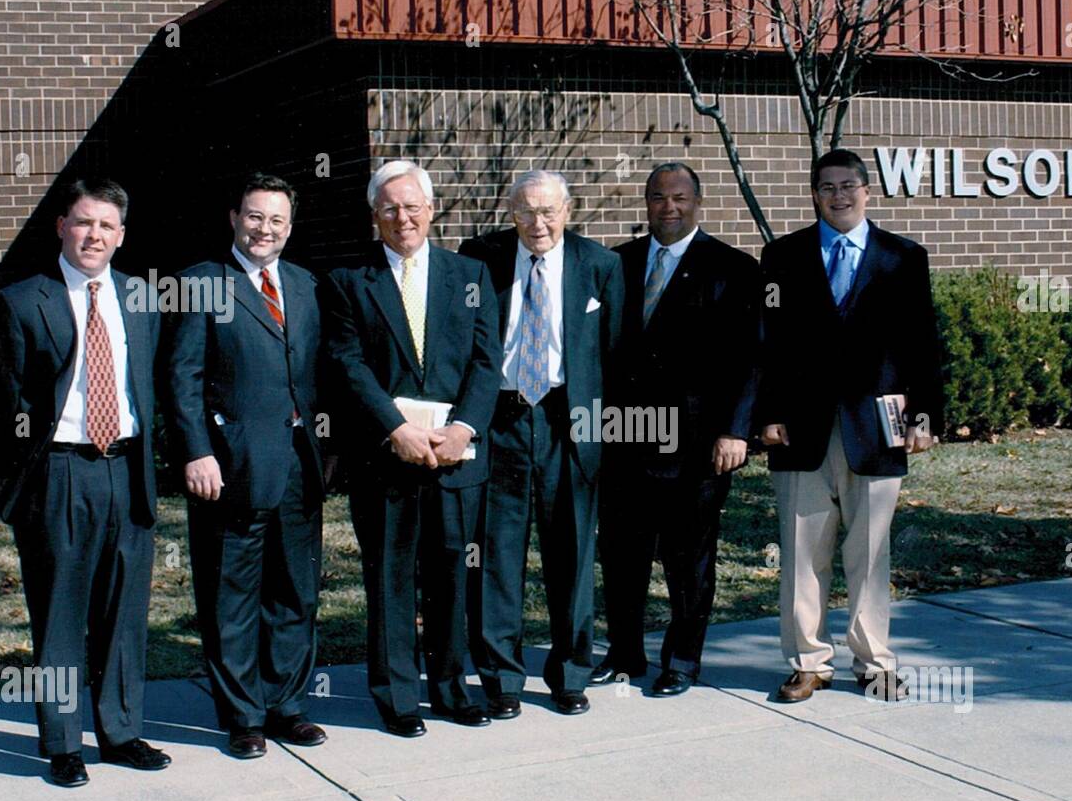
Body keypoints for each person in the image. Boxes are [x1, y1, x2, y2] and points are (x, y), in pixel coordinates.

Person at [0, 178, 170, 786]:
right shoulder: (22, 299)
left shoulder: (140, 297)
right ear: (61, 226)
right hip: (58, 471)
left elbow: (148, 383)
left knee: (124, 609)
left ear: (121, 236)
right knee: (60, 611)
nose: (94, 235)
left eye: (107, 226)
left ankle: (121, 732)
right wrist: (28, 474)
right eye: (84, 223)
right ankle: (62, 742)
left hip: (127, 469)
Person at [758, 149, 945, 703]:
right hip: (800, 427)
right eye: (826, 187)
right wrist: (766, 414)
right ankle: (808, 662)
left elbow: (922, 344)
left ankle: (874, 661)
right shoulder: (782, 256)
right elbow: (766, 342)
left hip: (878, 424)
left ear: (868, 191)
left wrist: (926, 415)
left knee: (869, 550)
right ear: (814, 194)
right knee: (801, 550)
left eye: (848, 186)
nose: (838, 195)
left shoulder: (903, 258)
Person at [323, 160, 501, 738]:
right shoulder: (349, 280)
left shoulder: (470, 273)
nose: (404, 218)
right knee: (391, 577)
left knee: (452, 573)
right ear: (376, 215)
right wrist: (392, 427)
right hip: (385, 457)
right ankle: (397, 696)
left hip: (455, 458)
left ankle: (450, 689)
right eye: (391, 208)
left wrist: (466, 429)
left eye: (413, 206)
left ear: (432, 209)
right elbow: (346, 363)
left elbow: (485, 363)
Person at [164, 174, 328, 759]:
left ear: (290, 226)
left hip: (298, 467)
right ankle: (243, 715)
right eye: (255, 217)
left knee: (293, 591)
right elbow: (179, 377)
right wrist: (195, 450)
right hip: (229, 467)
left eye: (276, 220)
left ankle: (288, 707)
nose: (265, 230)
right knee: (231, 592)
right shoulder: (201, 283)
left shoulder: (306, 286)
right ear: (235, 217)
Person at [459, 170, 624, 717]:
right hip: (500, 419)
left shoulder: (600, 264)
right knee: (497, 552)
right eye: (527, 211)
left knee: (571, 552)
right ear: (511, 213)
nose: (539, 223)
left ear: (568, 211)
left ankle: (570, 674)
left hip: (567, 422)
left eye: (549, 211)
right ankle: (501, 679)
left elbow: (616, 358)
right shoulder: (479, 256)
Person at [593, 162, 760, 696]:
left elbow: (750, 360)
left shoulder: (732, 268)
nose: (670, 207)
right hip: (625, 436)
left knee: (688, 558)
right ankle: (625, 654)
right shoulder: (618, 263)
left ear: (698, 202)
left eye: (681, 197)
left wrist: (736, 431)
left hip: (696, 442)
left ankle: (683, 660)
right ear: (646, 203)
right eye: (659, 197)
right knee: (622, 553)